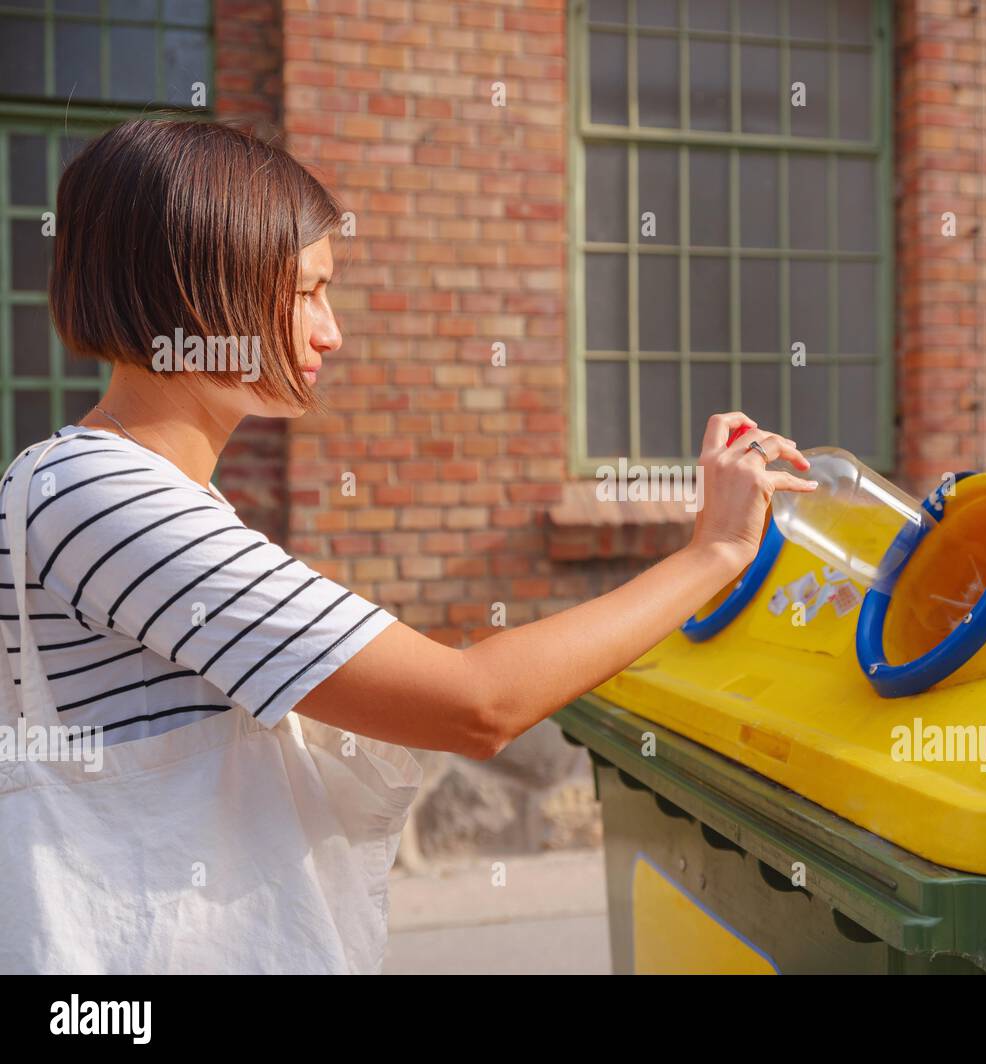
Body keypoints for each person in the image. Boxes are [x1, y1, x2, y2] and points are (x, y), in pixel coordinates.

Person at [0, 118, 814, 972]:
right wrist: (714, 552)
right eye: (306, 291)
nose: (331, 332)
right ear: (196, 288)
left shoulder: (123, 492)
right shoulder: (105, 498)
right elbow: (474, 705)